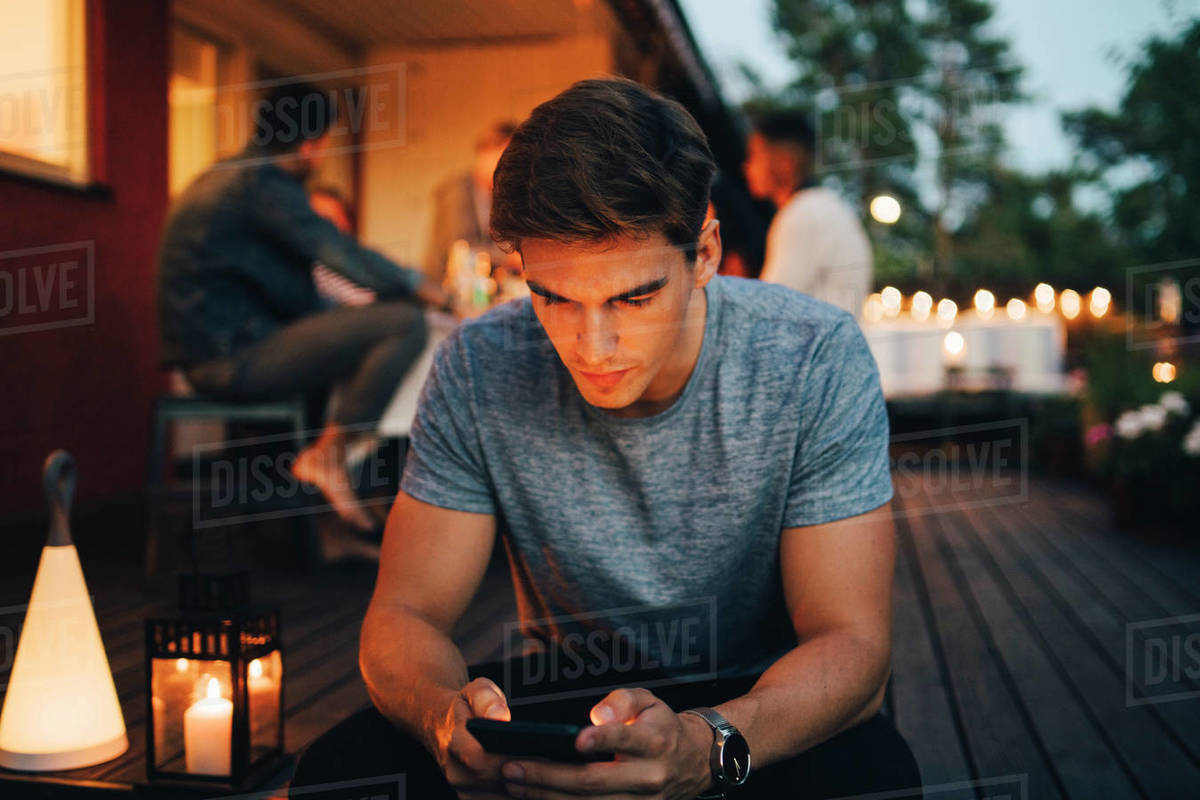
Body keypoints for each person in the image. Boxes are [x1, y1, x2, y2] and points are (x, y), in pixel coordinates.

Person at [291, 78, 919, 799]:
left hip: (758, 701)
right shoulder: (478, 363)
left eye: (635, 297)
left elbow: (853, 645)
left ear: (705, 252)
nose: (593, 345)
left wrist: (707, 743)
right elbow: (404, 613)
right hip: (567, 693)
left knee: (877, 780)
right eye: (555, 298)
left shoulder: (814, 356)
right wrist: (441, 716)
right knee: (339, 778)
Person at [157, 82, 451, 533]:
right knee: (403, 323)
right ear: (312, 145)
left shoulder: (220, 178)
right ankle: (329, 456)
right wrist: (420, 285)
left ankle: (331, 528)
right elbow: (339, 253)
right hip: (231, 356)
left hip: (209, 350)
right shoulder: (261, 182)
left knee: (362, 335)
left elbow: (290, 285)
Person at [744, 110, 873, 319]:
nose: (747, 167)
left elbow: (768, 307)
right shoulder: (827, 206)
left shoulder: (802, 214)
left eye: (755, 155)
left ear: (786, 162)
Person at [424, 120, 521, 284]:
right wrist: (510, 259)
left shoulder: (494, 193)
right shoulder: (457, 189)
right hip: (444, 288)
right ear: (486, 151)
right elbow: (461, 247)